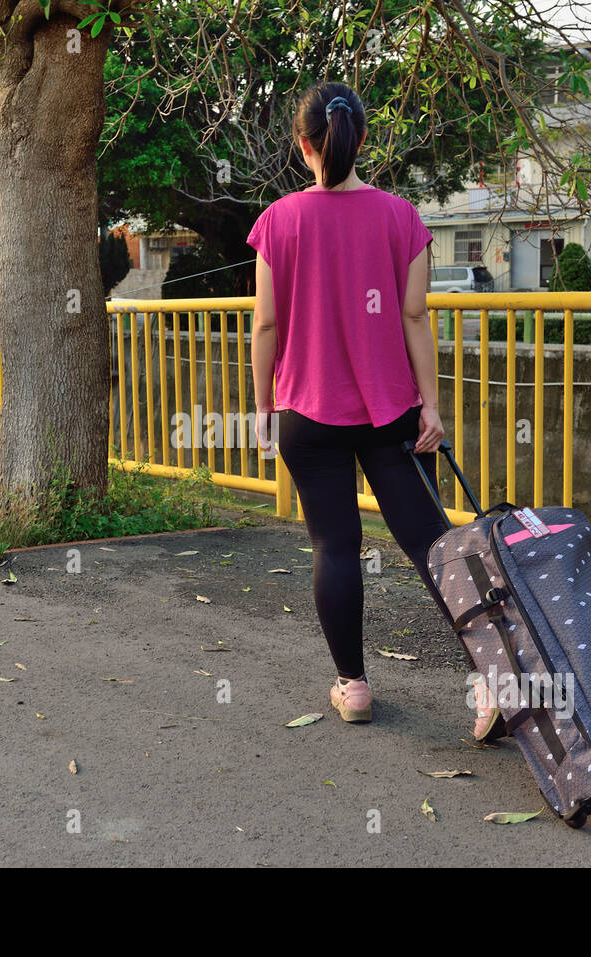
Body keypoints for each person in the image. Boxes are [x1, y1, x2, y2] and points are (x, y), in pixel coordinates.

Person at [247, 81, 499, 736]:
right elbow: (415, 315)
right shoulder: (400, 217)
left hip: (305, 410)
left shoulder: (278, 222)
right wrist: (432, 406)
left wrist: (263, 408)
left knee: (335, 545)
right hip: (392, 414)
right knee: (434, 545)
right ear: (362, 139)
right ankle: (493, 682)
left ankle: (353, 687)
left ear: (304, 145)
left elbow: (266, 328)